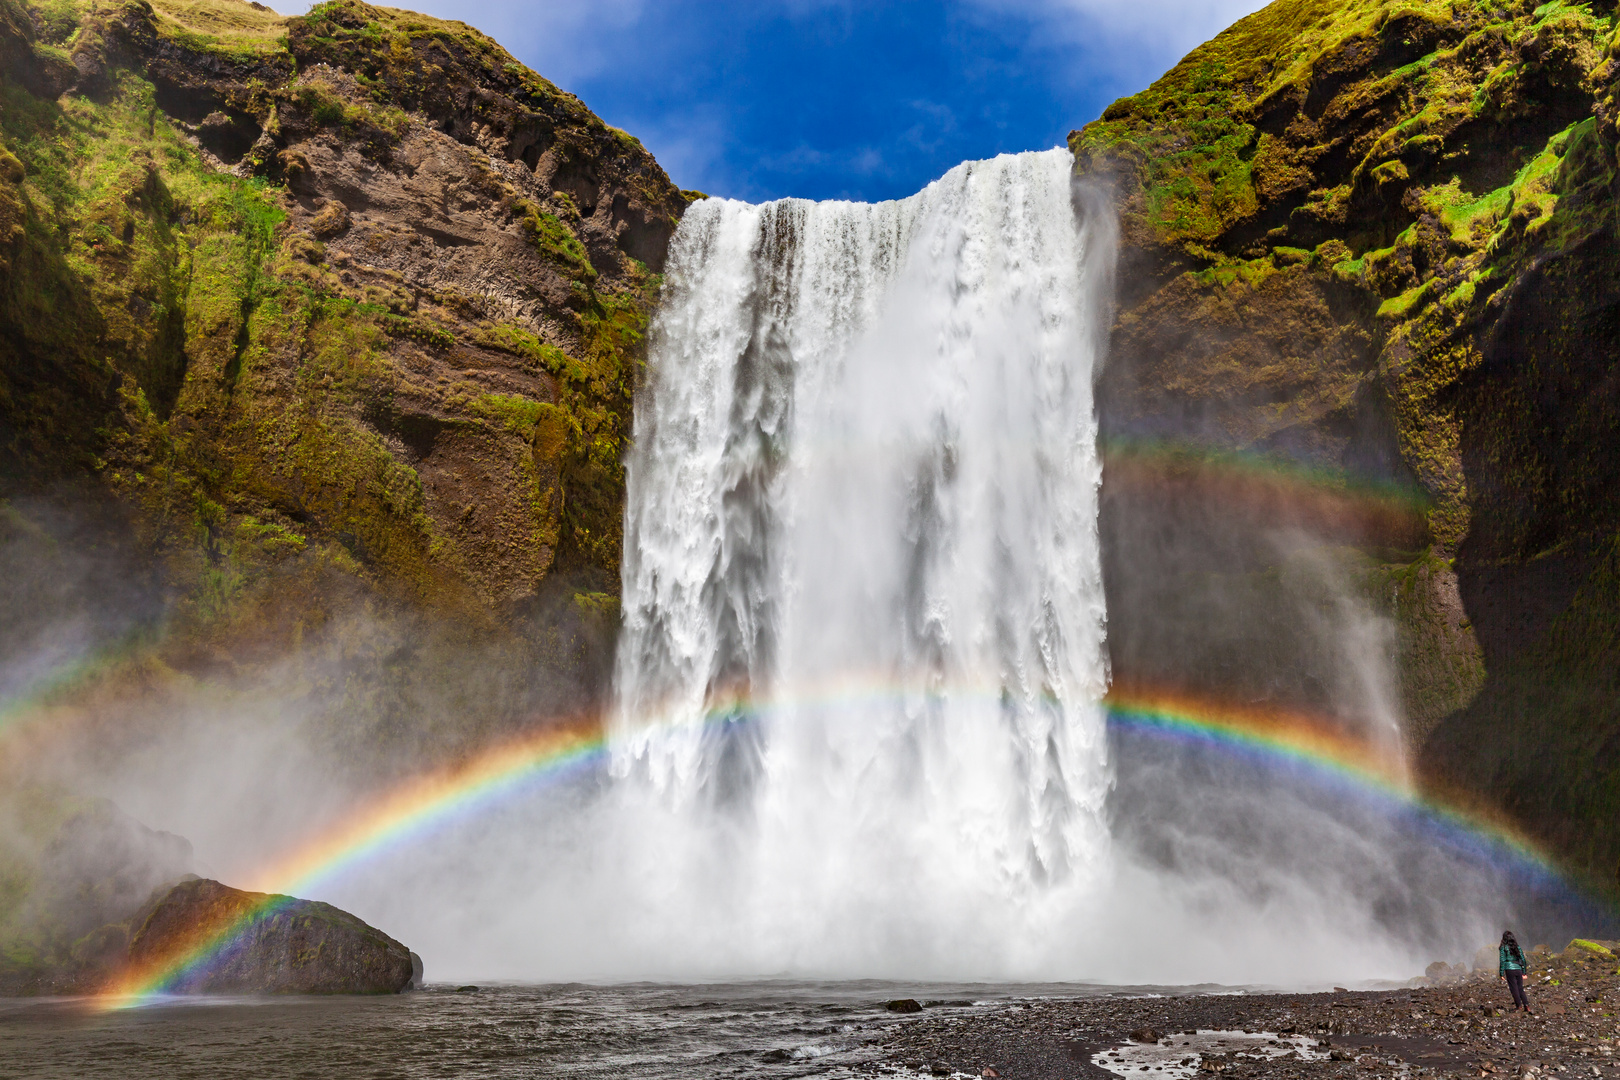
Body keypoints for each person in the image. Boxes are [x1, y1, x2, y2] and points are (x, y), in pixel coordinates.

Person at [1499, 930, 1531, 1012]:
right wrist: (1524, 972)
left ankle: (1518, 1006)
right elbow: (1523, 959)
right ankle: (1526, 1005)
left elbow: (1502, 960)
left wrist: (1501, 973)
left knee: (1514, 988)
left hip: (1509, 969)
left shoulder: (1503, 947)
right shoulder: (1517, 947)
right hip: (1518, 969)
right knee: (1520, 988)